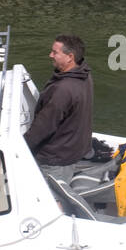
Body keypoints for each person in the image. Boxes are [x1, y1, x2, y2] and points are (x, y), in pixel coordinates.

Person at [24, 34, 94, 181]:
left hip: (56, 159)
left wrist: (20, 146)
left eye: (55, 52)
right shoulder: (84, 75)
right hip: (73, 150)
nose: (50, 55)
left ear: (70, 57)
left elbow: (43, 127)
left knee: (52, 194)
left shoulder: (63, 90)